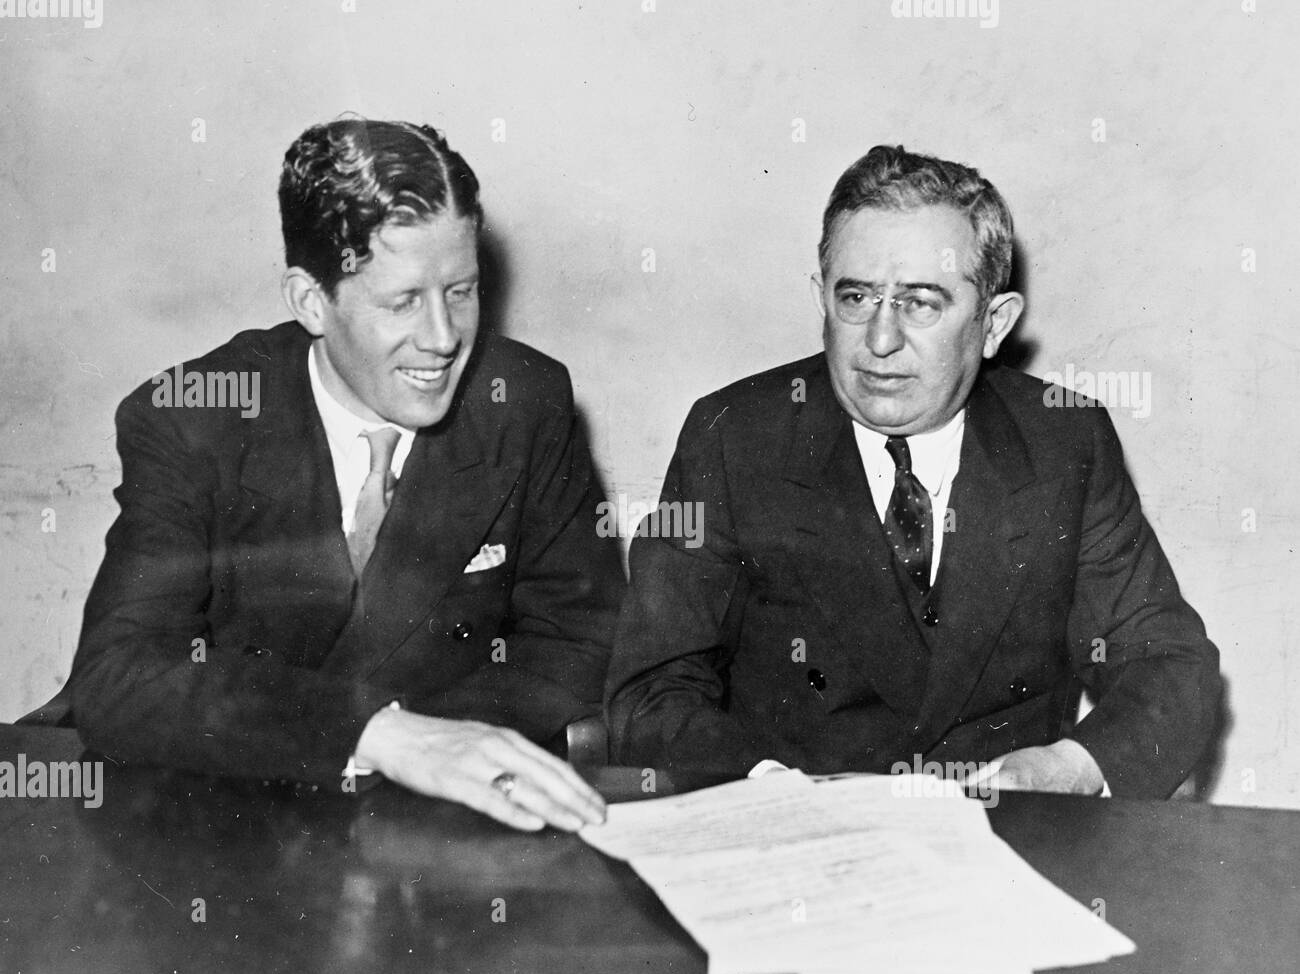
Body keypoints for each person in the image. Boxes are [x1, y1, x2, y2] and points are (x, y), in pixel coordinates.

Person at [606, 144, 1221, 798]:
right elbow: (650, 692)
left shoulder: (1064, 440)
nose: (879, 340)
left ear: (994, 323)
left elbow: (1167, 665)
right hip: (795, 843)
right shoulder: (734, 439)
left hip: (1008, 842)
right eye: (856, 298)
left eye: (921, 303)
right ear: (822, 298)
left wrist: (1069, 768)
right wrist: (764, 787)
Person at [67, 118, 623, 831]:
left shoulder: (525, 402)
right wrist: (375, 735)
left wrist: (436, 755)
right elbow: (119, 677)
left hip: (430, 824)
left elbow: (583, 636)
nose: (444, 338)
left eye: (461, 291)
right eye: (402, 302)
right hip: (229, 818)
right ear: (309, 301)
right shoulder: (192, 421)